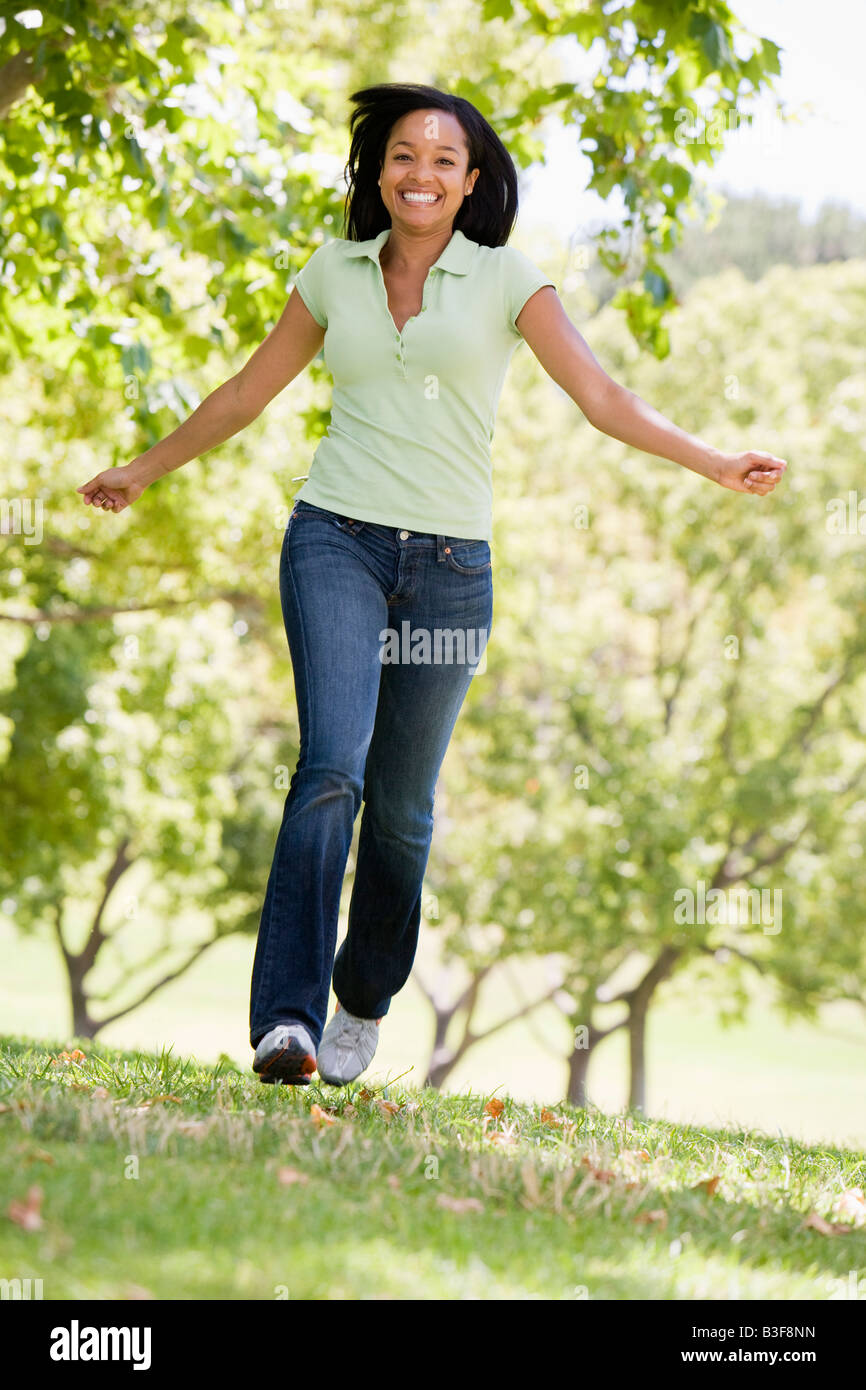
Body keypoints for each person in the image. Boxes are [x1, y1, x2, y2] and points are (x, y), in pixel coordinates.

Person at [77, 82, 787, 1088]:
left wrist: (710, 459)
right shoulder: (334, 270)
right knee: (330, 765)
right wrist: (141, 469)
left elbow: (599, 397)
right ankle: (287, 1021)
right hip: (335, 541)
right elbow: (245, 391)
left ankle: (362, 996)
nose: (421, 172)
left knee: (403, 807)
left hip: (450, 568)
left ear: (472, 183)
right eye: (404, 153)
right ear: (377, 171)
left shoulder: (506, 281)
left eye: (443, 159)